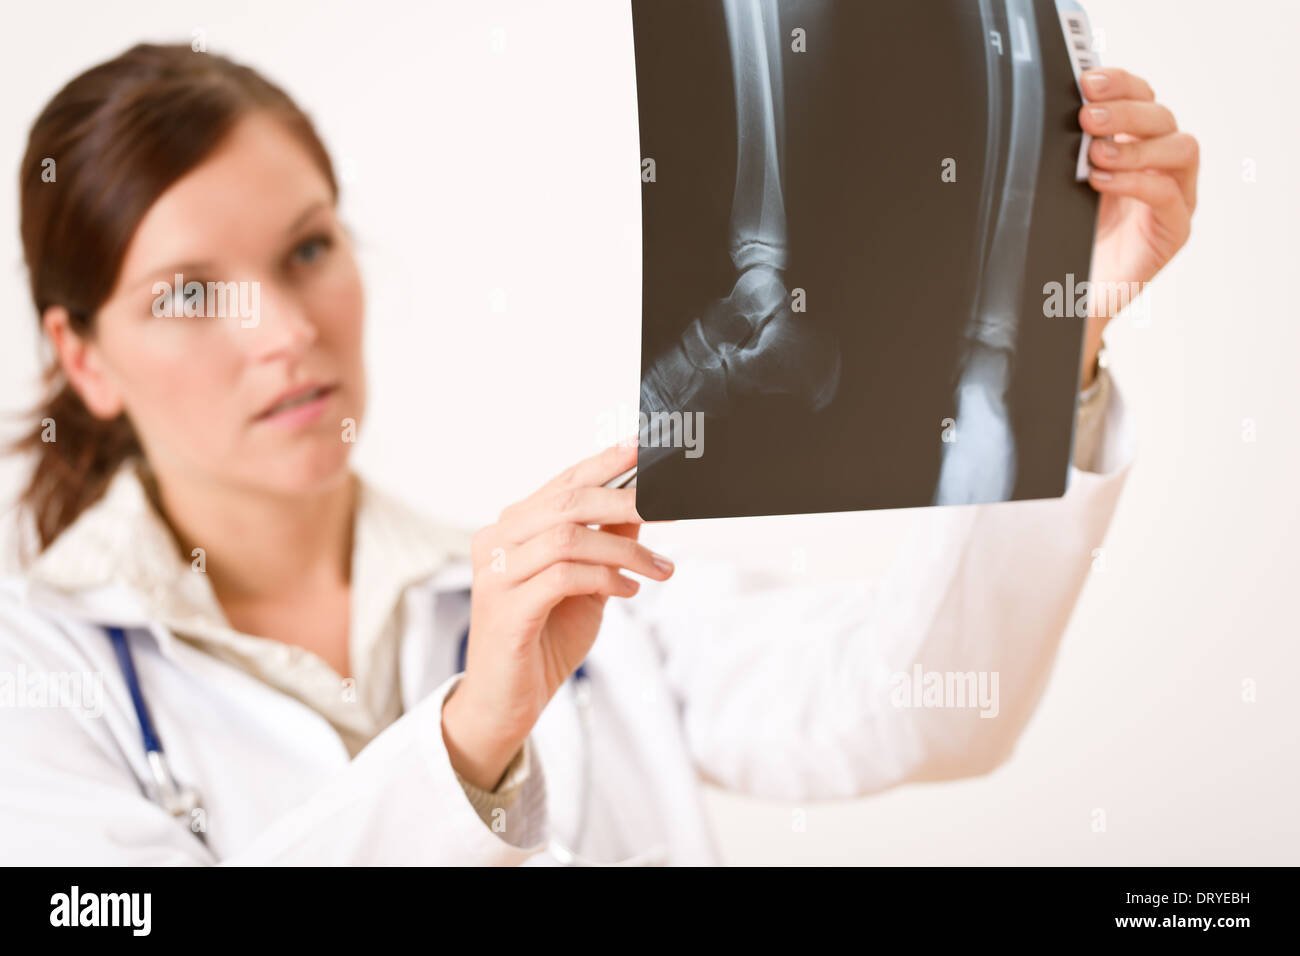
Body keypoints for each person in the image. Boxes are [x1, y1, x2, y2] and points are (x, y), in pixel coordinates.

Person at [0, 41, 1197, 865]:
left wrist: (1055, 344)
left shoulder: (569, 595)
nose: (288, 332)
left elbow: (926, 708)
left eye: (307, 249)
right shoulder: (43, 684)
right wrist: (468, 738)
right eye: (192, 292)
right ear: (85, 356)